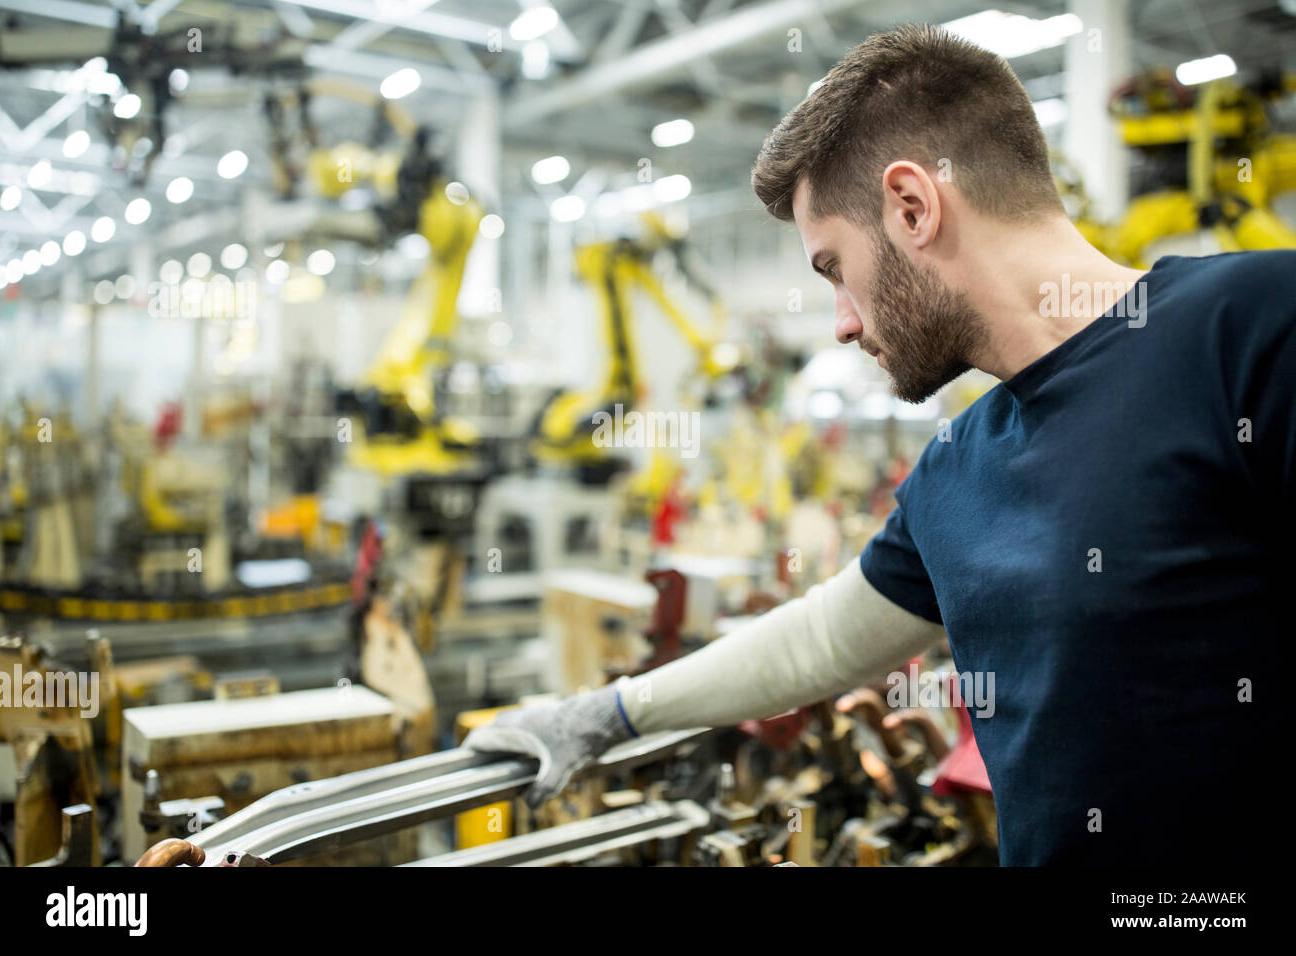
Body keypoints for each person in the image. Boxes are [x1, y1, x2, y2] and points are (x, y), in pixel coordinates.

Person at [466, 24, 1289, 865]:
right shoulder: (958, 468)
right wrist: (605, 715)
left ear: (912, 206)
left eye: (832, 267)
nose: (843, 323)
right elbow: (823, 639)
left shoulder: (1257, 330)